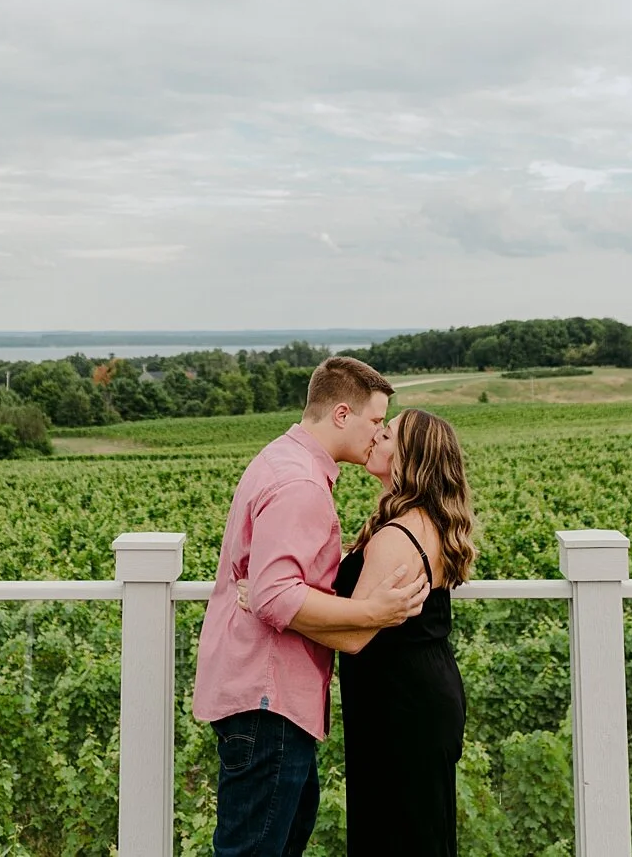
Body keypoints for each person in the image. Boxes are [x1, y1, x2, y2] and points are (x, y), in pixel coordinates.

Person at [192, 356, 430, 857]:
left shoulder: (281, 459)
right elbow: (277, 596)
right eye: (374, 421)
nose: (378, 433)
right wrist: (375, 612)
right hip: (268, 698)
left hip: (267, 697)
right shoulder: (300, 485)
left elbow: (271, 587)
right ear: (341, 415)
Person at [261, 407, 476, 857]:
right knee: (417, 832)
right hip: (415, 695)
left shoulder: (399, 535)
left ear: (411, 456)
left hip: (402, 705)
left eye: (390, 433)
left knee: (397, 835)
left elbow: (354, 634)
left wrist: (271, 600)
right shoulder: (419, 521)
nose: (377, 435)